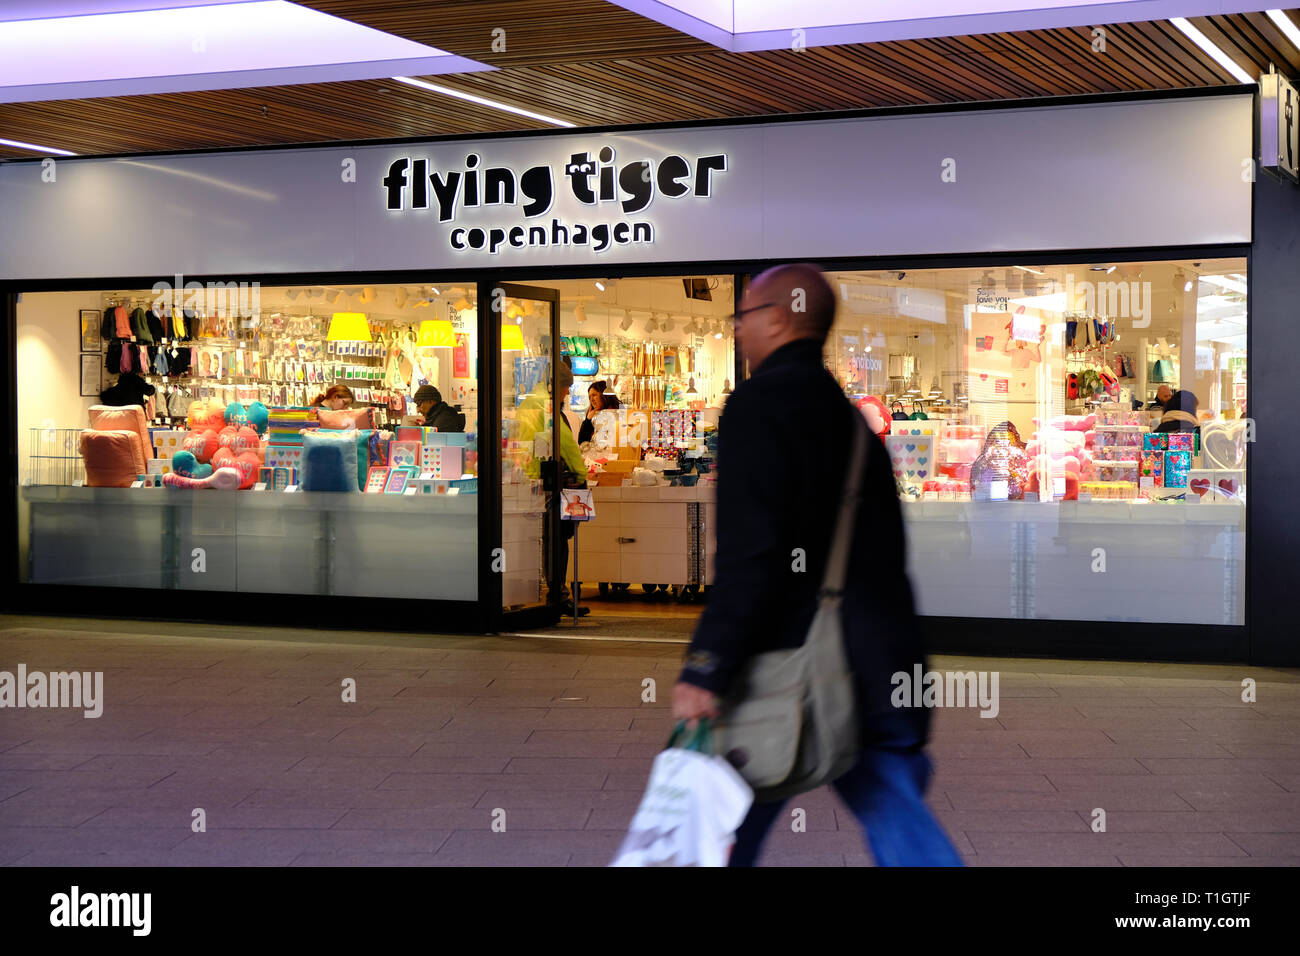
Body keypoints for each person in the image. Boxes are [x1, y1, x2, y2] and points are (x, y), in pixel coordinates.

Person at [672, 263, 963, 867]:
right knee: (890, 807)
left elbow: (753, 555)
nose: (736, 330)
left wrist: (707, 665)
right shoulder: (850, 421)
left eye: (743, 317)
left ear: (778, 319)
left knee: (723, 816)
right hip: (879, 661)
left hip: (795, 668)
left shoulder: (757, 407)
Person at [516, 357, 589, 616]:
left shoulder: (527, 405)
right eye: (565, 386)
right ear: (554, 385)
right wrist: (581, 473)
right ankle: (557, 596)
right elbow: (565, 443)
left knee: (544, 541)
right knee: (557, 542)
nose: (567, 392)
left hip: (531, 480)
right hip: (551, 483)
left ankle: (549, 594)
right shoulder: (547, 408)